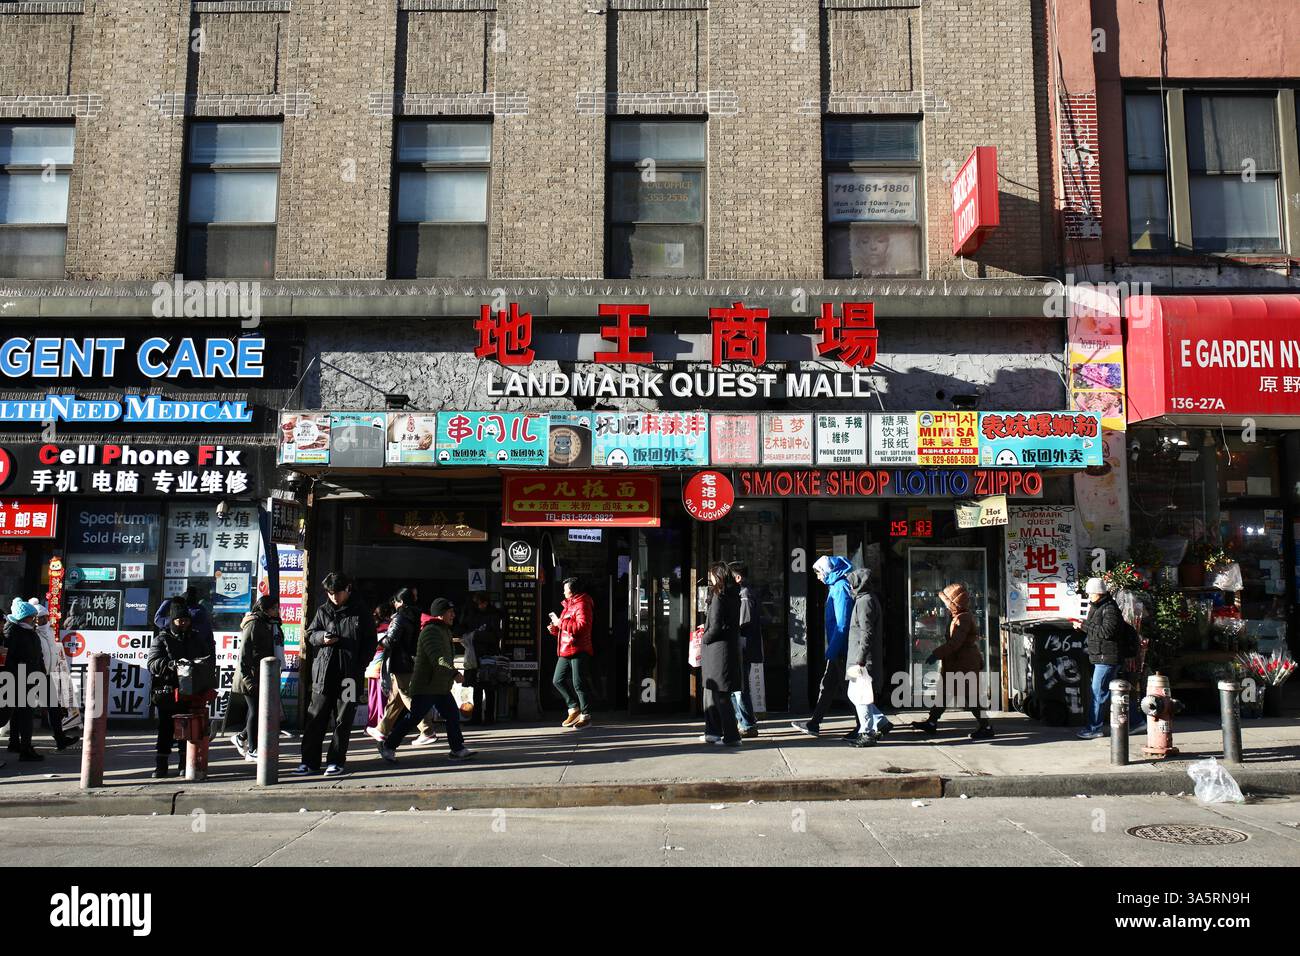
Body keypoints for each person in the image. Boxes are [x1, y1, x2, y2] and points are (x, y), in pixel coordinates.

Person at [295, 572, 375, 777]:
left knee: (343, 719)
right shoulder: (323, 611)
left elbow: (370, 643)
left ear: (348, 589)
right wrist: (323, 638)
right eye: (330, 594)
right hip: (324, 675)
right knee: (316, 717)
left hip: (349, 676)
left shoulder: (361, 612)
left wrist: (359, 666)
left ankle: (336, 761)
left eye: (337, 593)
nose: (334, 597)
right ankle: (309, 762)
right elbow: (310, 634)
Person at [378, 598, 475, 762]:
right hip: (426, 687)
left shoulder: (444, 630)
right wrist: (453, 673)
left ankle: (458, 749)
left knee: (452, 715)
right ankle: (388, 746)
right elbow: (438, 659)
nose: (453, 615)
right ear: (440, 614)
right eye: (450, 612)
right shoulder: (431, 631)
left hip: (440, 687)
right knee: (413, 718)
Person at [911, 583, 994, 740]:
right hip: (958, 662)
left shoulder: (963, 619)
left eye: (947, 603)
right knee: (945, 694)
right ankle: (931, 722)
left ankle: (986, 726)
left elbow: (955, 643)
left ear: (954, 603)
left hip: (964, 663)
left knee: (972, 697)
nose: (945, 605)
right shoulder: (958, 616)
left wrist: (937, 654)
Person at [147, 598, 218, 778]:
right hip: (168, 691)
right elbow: (152, 664)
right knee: (165, 730)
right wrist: (171, 665)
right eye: (180, 620)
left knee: (189, 730)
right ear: (173, 621)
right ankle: (161, 766)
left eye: (186, 620)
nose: (184, 623)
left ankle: (184, 764)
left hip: (191, 692)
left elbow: (208, 659)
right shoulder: (162, 639)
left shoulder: (196, 638)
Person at [792, 555, 854, 739]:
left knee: (848, 688)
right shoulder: (835, 587)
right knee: (828, 686)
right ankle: (814, 723)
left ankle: (870, 723)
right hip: (837, 647)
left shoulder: (840, 587)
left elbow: (843, 623)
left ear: (828, 571)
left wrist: (832, 650)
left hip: (840, 649)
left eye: (819, 572)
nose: (818, 576)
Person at [367, 588, 438, 747]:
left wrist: (378, 639)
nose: (395, 604)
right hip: (411, 662)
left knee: (409, 698)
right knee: (396, 699)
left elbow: (390, 641)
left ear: (401, 602)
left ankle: (427, 730)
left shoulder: (399, 618)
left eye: (396, 601)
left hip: (401, 664)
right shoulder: (416, 615)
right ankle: (382, 729)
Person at [845, 568, 892, 747]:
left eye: (851, 582)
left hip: (862, 659)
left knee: (861, 696)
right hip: (859, 656)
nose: (849, 585)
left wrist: (861, 659)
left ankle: (867, 732)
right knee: (854, 694)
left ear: (859, 583)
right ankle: (881, 722)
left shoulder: (865, 602)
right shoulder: (864, 599)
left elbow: (867, 633)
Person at [232, 594, 280, 762]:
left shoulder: (269, 624)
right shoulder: (253, 624)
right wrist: (249, 681)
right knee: (255, 711)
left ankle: (242, 737)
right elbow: (244, 656)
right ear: (264, 609)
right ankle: (252, 749)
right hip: (250, 676)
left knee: (259, 711)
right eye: (274, 608)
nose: (277, 611)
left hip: (263, 674)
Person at [700, 562, 743, 746]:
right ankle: (713, 732)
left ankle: (731, 735)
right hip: (727, 649)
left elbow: (716, 625)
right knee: (713, 692)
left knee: (720, 694)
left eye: (711, 575)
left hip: (717, 651)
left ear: (717, 576)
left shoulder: (718, 595)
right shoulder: (733, 594)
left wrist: (705, 637)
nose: (709, 578)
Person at [1076, 577, 1121, 740]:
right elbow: (1096, 630)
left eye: (1090, 593)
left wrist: (1084, 626)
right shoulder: (1097, 606)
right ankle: (1137, 723)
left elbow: (1107, 631)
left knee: (1098, 693)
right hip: (1101, 656)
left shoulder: (1109, 608)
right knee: (1115, 693)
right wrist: (1082, 626)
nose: (1088, 596)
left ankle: (1094, 728)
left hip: (1106, 657)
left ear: (1098, 593)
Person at [29, 600, 77, 751]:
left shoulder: (48, 632)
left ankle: (60, 738)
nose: (43, 620)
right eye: (39, 617)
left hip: (47, 674)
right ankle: (20, 742)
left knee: (53, 707)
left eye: (45, 617)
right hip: (36, 674)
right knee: (27, 709)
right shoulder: (33, 634)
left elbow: (51, 653)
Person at [3, 598, 47, 761]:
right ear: (24, 617)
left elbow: (38, 657)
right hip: (18, 678)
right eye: (32, 616)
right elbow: (9, 658)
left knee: (21, 713)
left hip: (30, 677)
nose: (34, 619)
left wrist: (41, 674)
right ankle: (25, 748)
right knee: (24, 714)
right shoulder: (12, 632)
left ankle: (18, 744)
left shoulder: (30, 632)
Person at [548, 577, 594, 729]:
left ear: (573, 591)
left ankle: (586, 716)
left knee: (579, 683)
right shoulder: (568, 605)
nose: (563, 591)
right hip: (566, 649)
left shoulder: (582, 604)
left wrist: (560, 623)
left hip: (579, 649)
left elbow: (582, 627)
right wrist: (555, 629)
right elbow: (567, 629)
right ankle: (574, 708)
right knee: (557, 680)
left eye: (565, 588)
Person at [456, 592, 505, 725]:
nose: (480, 605)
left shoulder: (490, 615)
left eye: (481, 602)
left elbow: (496, 636)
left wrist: (476, 635)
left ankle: (485, 717)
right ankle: (482, 717)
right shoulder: (481, 614)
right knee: (481, 688)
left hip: (483, 655)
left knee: (485, 688)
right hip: (480, 655)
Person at [728, 562, 762, 738]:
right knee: (737, 686)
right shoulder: (742, 593)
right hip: (741, 645)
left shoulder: (745, 594)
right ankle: (742, 721)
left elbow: (743, 622)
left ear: (738, 578)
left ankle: (747, 723)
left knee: (740, 687)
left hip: (743, 646)